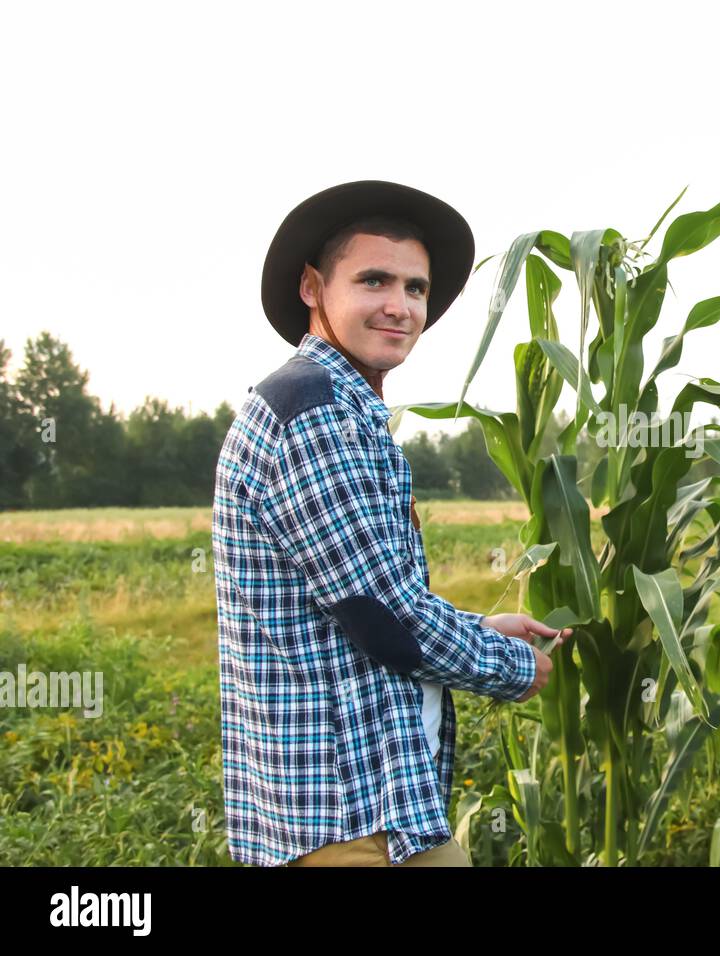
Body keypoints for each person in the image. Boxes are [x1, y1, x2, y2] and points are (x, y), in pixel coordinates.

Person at [211, 180, 570, 867]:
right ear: (313, 288)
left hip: (385, 805)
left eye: (416, 288)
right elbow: (385, 620)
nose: (400, 307)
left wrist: (477, 626)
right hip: (344, 819)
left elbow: (365, 595)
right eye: (374, 280)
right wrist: (508, 666)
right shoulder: (313, 413)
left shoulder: (345, 411)